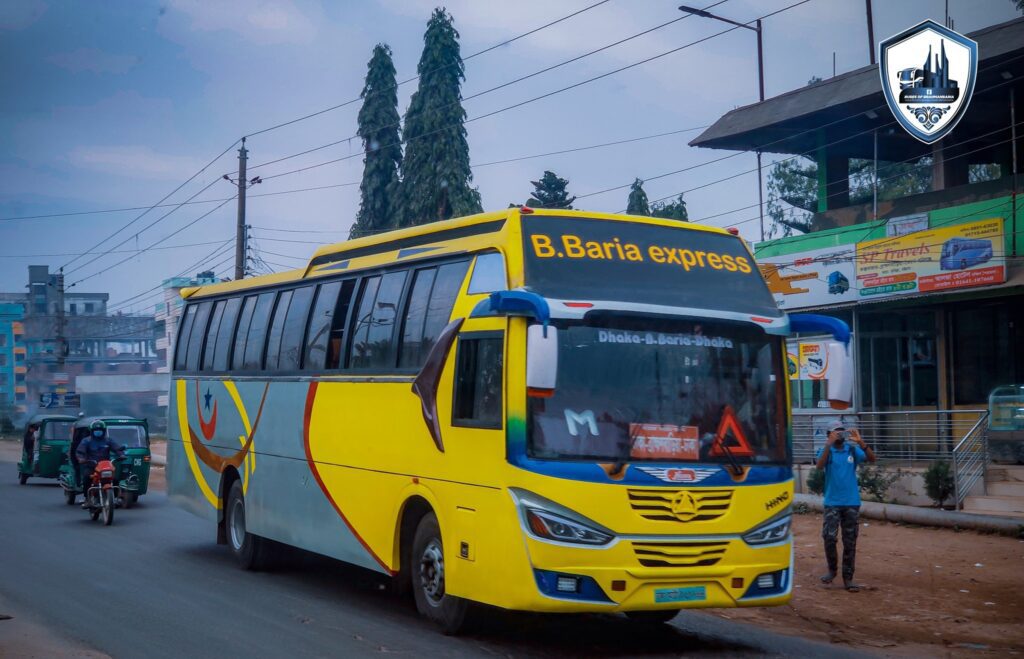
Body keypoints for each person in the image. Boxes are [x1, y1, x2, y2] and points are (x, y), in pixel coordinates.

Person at [815, 423, 876, 592]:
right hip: (832, 502)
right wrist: (828, 444)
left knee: (850, 541)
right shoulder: (825, 451)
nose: (840, 435)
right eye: (836, 433)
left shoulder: (851, 450)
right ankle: (832, 570)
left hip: (851, 502)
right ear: (829, 435)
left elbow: (872, 459)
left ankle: (848, 578)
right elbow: (819, 466)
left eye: (842, 432)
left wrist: (861, 442)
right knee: (829, 537)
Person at [75, 421, 125, 506]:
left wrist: (122, 455)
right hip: (91, 466)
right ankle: (87, 499)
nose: (98, 431)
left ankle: (115, 498)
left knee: (115, 479)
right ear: (92, 431)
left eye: (100, 430)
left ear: (104, 431)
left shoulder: (108, 440)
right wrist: (81, 458)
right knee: (86, 478)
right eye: (96, 430)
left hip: (105, 466)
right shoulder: (86, 441)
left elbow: (117, 449)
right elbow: (80, 452)